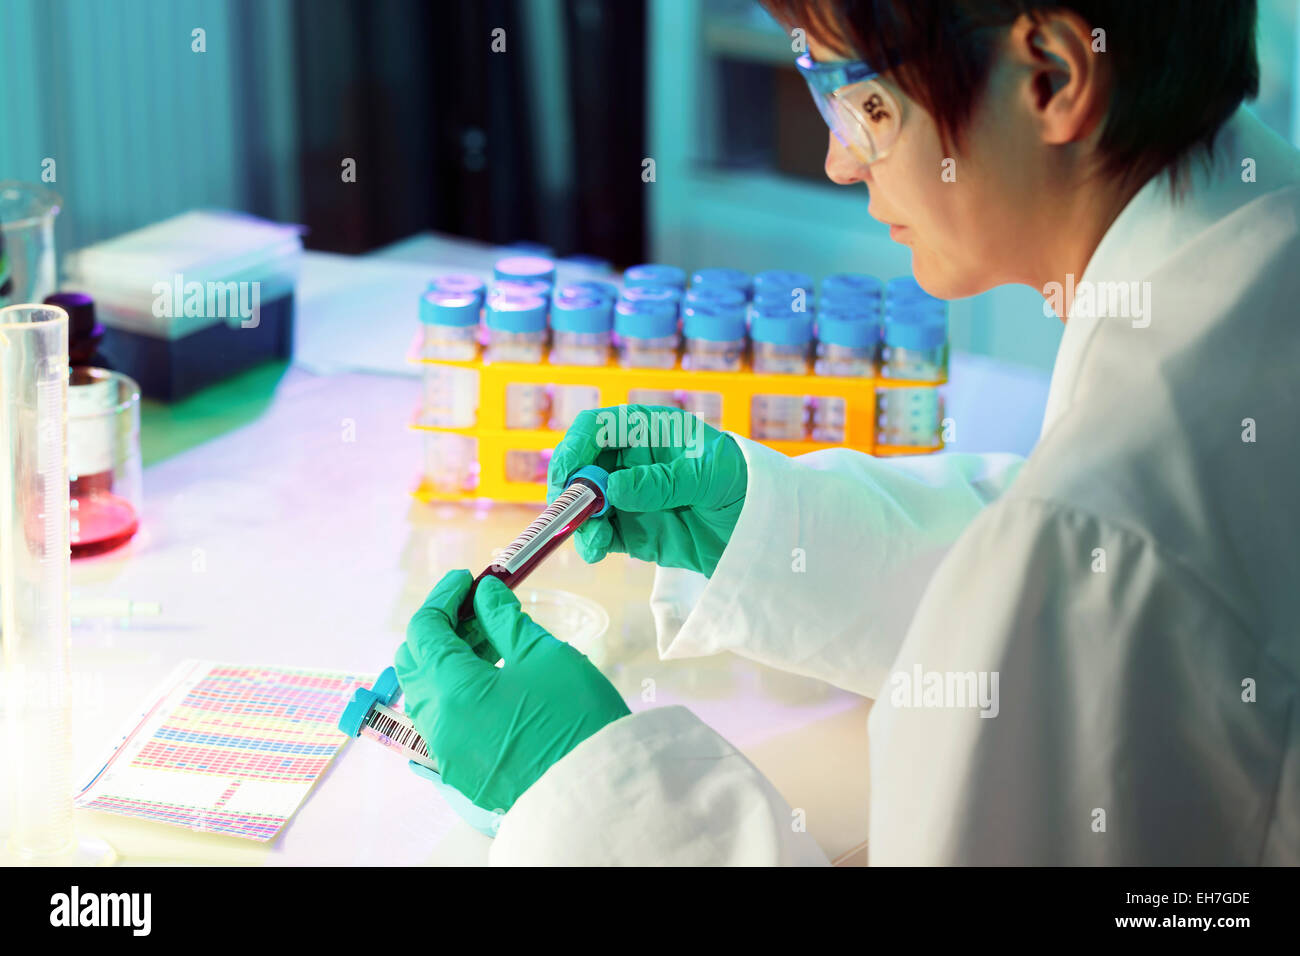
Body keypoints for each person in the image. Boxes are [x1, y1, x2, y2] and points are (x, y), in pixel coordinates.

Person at [396, 0, 1300, 864]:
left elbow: (1085, 572)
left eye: (865, 104)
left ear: (1052, 76)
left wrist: (590, 794)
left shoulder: (1107, 511)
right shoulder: (1253, 248)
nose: (838, 159)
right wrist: (769, 526)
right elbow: (1069, 613)